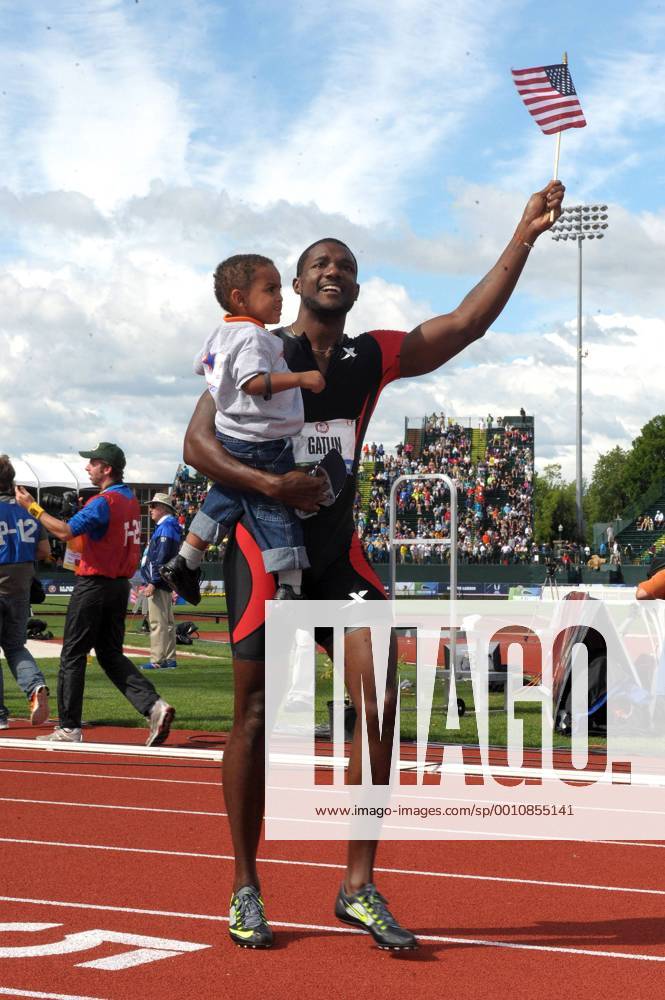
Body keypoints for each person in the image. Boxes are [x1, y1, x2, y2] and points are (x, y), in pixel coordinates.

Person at [181, 180, 565, 950]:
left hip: (337, 551)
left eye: (346, 264)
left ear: (354, 287)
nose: (334, 270)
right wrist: (272, 484)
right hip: (263, 545)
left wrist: (521, 236)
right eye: (320, 262)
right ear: (293, 283)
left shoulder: (369, 355)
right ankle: (245, 887)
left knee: (380, 698)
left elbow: (460, 325)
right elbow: (197, 445)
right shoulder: (258, 343)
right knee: (253, 714)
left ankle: (356, 883)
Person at [161, 254, 325, 606]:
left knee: (228, 494)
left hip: (231, 433)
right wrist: (302, 378)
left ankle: (185, 560)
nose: (280, 297)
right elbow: (252, 383)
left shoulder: (221, 332)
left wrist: (222, 385)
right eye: (270, 289)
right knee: (279, 505)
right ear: (239, 297)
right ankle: (290, 587)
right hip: (263, 438)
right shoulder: (254, 337)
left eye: (280, 288)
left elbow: (200, 365)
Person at [15, 442, 175, 746]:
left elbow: (64, 532)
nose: (87, 467)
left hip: (94, 585)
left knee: (72, 655)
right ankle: (154, 706)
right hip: (118, 586)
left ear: (107, 468)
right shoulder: (129, 500)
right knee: (111, 654)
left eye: (93, 463)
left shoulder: (104, 502)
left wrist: (33, 508)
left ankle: (69, 727)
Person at [0, 455, 51, 729]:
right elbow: (44, 551)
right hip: (20, 589)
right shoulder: (28, 510)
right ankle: (35, 686)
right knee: (15, 646)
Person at [139, 493, 182, 670]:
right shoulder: (169, 526)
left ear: (163, 508)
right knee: (167, 622)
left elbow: (161, 557)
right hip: (165, 581)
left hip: (159, 581)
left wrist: (153, 582)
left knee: (157, 622)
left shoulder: (165, 528)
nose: (150, 510)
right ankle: (170, 658)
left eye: (153, 506)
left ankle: (157, 660)